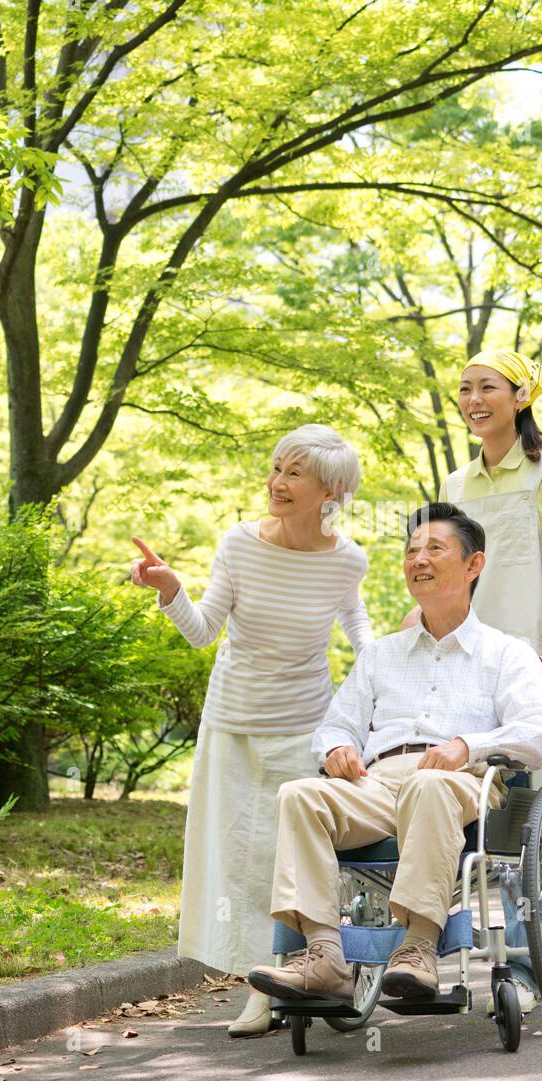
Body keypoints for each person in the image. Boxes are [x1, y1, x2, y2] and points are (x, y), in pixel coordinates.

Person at [247, 503, 542, 1004]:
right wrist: (337, 749)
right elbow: (334, 724)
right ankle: (325, 957)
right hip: (377, 784)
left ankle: (418, 949)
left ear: (473, 565)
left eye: (434, 549)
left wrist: (468, 746)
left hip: (463, 781)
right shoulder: (380, 655)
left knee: (429, 784)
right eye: (412, 550)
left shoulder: (507, 653)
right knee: (300, 794)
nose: (419, 559)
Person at [130, 425, 372, 1035]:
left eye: (294, 473)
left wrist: (387, 686)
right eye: (275, 468)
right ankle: (258, 991)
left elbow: (361, 636)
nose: (277, 482)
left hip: (305, 726)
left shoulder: (348, 559)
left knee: (289, 860)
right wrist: (171, 590)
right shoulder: (239, 544)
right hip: (234, 724)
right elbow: (204, 630)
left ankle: (311, 975)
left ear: (330, 491)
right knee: (239, 861)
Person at [437, 349, 542, 1008]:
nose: (472, 399)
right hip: (472, 667)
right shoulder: (455, 481)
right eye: (464, 389)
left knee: (533, 809)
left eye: (486, 387)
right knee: (480, 811)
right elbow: (446, 579)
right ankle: (486, 955)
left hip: (537, 660)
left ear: (520, 396)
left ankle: (534, 962)